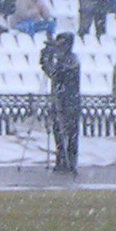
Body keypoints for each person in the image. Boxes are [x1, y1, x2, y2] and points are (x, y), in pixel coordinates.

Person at [39, 31, 80, 174]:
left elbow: (59, 73)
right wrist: (46, 58)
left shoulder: (72, 60)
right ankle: (61, 160)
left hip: (70, 102)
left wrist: (50, 59)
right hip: (59, 100)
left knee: (70, 133)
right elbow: (52, 73)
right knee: (58, 131)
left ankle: (71, 162)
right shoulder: (62, 59)